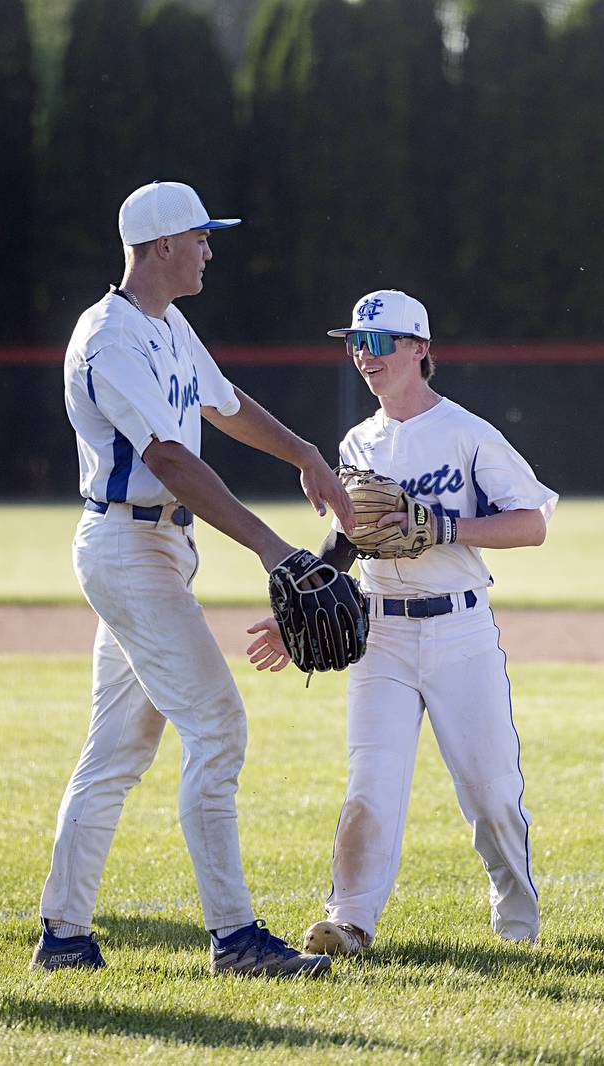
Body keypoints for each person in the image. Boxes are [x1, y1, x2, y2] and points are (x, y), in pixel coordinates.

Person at [35, 180, 356, 978]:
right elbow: (171, 460)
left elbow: (224, 403)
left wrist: (304, 453)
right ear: (163, 245)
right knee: (218, 727)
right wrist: (272, 547)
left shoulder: (168, 324)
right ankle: (236, 939)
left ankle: (63, 937)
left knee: (115, 751)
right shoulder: (109, 337)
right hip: (128, 546)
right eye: (202, 237)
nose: (211, 250)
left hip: (157, 548)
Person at [245, 290, 556, 955]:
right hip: (380, 632)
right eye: (356, 343)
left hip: (460, 630)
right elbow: (346, 537)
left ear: (419, 348)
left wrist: (444, 527)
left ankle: (516, 921)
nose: (365, 355)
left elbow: (531, 524)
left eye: (379, 342)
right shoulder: (358, 440)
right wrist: (296, 613)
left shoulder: (467, 432)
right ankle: (350, 921)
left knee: (493, 795)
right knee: (369, 788)